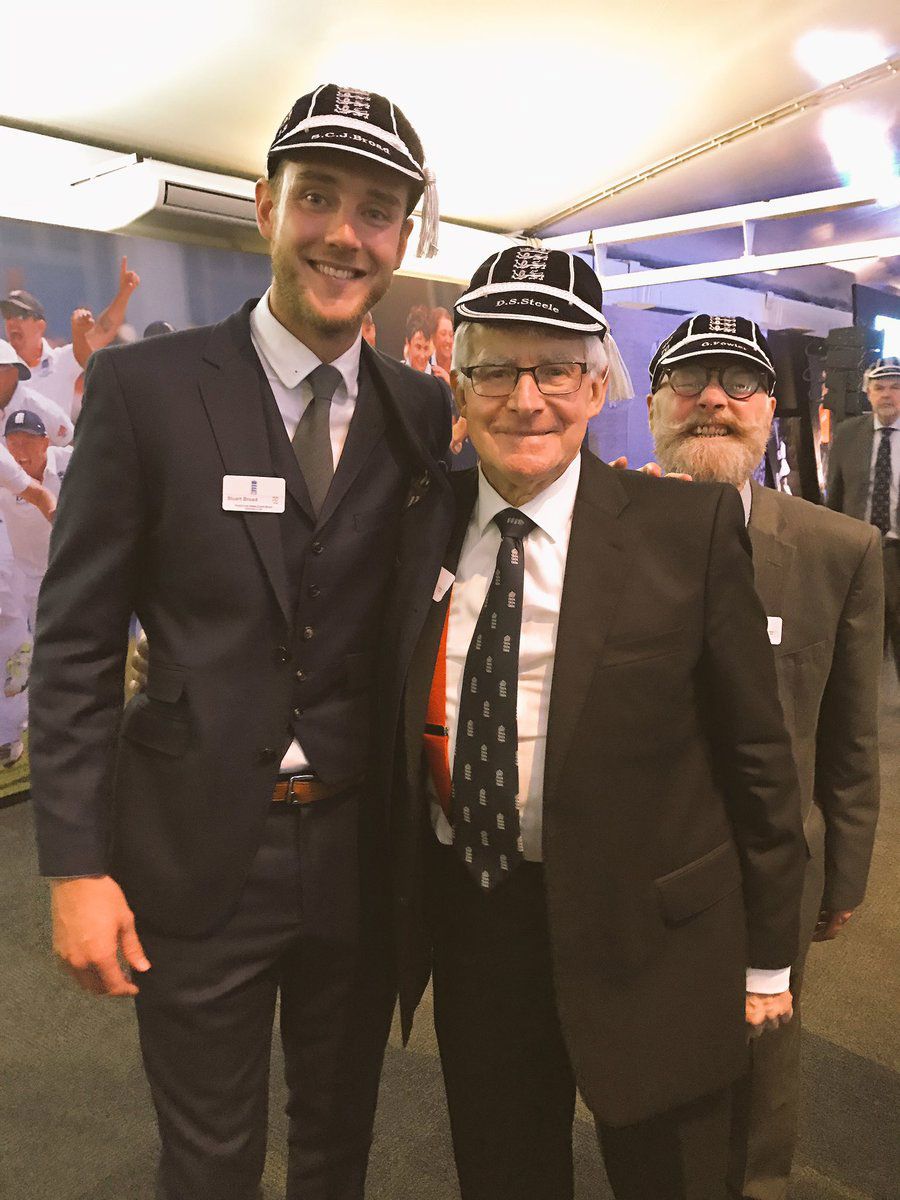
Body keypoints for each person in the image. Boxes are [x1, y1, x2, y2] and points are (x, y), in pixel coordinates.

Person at [29, 82, 451, 1200]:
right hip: (195, 848)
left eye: (376, 210)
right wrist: (75, 864)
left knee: (337, 1145)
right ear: (267, 206)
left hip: (363, 852)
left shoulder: (422, 415)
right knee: (208, 1159)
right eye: (318, 198)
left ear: (401, 238)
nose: (344, 235)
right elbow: (74, 643)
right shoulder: (144, 390)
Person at [389, 248, 807, 1200]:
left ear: (597, 383)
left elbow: (758, 760)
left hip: (651, 935)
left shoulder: (688, 529)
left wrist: (769, 956)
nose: (524, 398)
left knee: (670, 1177)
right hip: (479, 918)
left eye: (556, 369)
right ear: (459, 384)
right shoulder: (419, 523)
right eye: (496, 368)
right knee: (503, 1171)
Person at [647, 314, 883, 1200]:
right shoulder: (602, 528)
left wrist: (845, 876)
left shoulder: (837, 549)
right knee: (644, 1056)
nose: (713, 398)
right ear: (653, 401)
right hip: (640, 856)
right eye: (690, 379)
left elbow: (850, 733)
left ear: (769, 409)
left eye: (738, 383)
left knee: (764, 1059)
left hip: (771, 863)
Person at [826, 356, 900, 681]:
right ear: (868, 393)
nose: (887, 394)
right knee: (861, 637)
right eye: (879, 387)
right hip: (860, 550)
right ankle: (860, 704)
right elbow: (834, 497)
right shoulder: (847, 434)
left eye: (896, 387)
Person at [2, 256, 140, 419]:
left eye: (21, 316)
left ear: (40, 325)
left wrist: (124, 293)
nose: (12, 322)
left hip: (57, 444)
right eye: (7, 316)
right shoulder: (2, 366)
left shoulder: (62, 360)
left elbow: (103, 331)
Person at [403, 304, 434, 372]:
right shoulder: (395, 374)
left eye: (426, 348)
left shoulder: (439, 378)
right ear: (408, 343)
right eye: (418, 347)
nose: (422, 356)